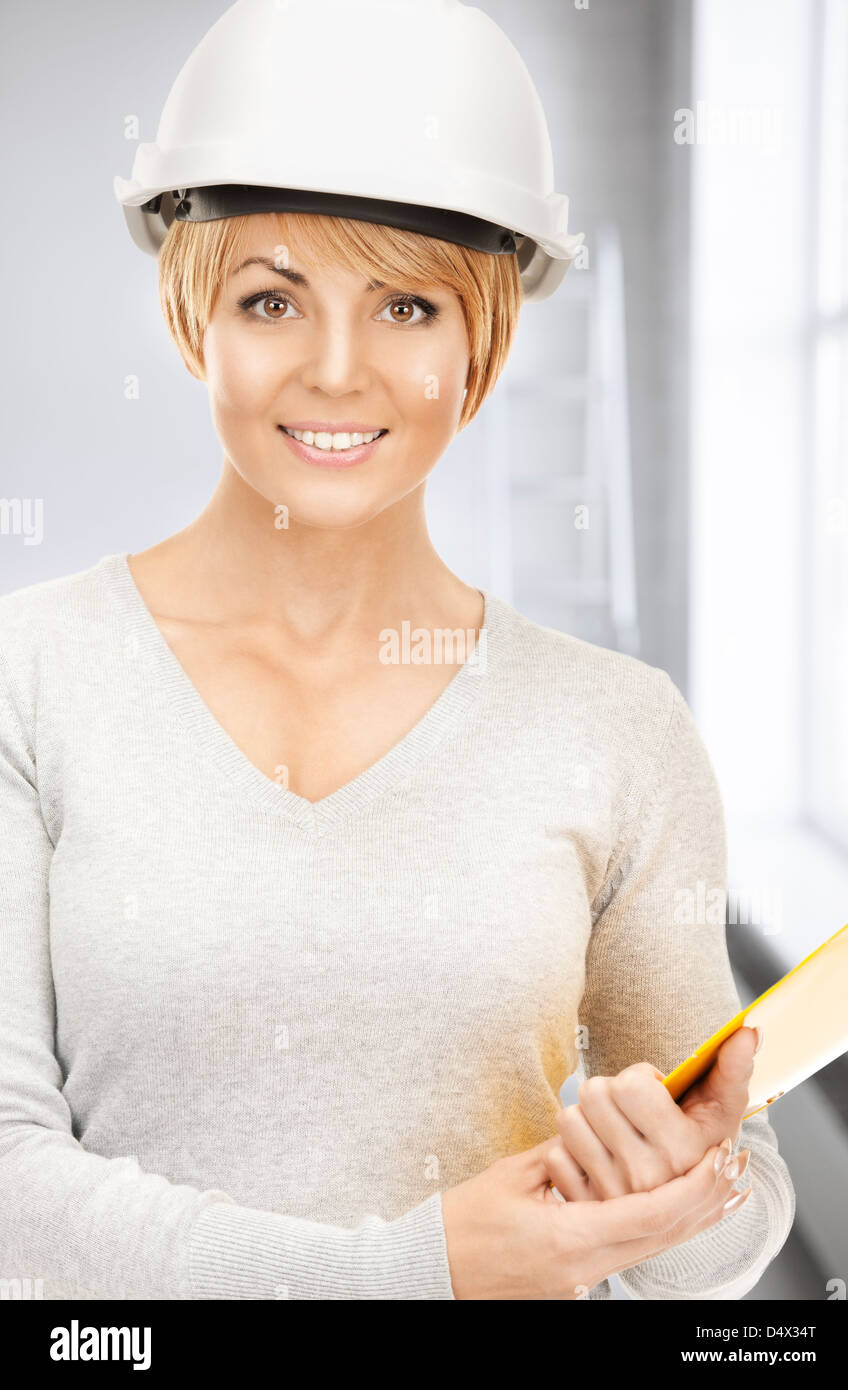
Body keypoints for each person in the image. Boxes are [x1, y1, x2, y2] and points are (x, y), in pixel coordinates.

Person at [0, 0, 795, 1300]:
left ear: (480, 339)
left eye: (405, 308)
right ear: (193, 316)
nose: (333, 369)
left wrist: (667, 1188)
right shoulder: (25, 678)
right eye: (272, 298)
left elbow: (739, 1200)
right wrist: (416, 1271)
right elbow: (8, 1192)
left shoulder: (616, 728)